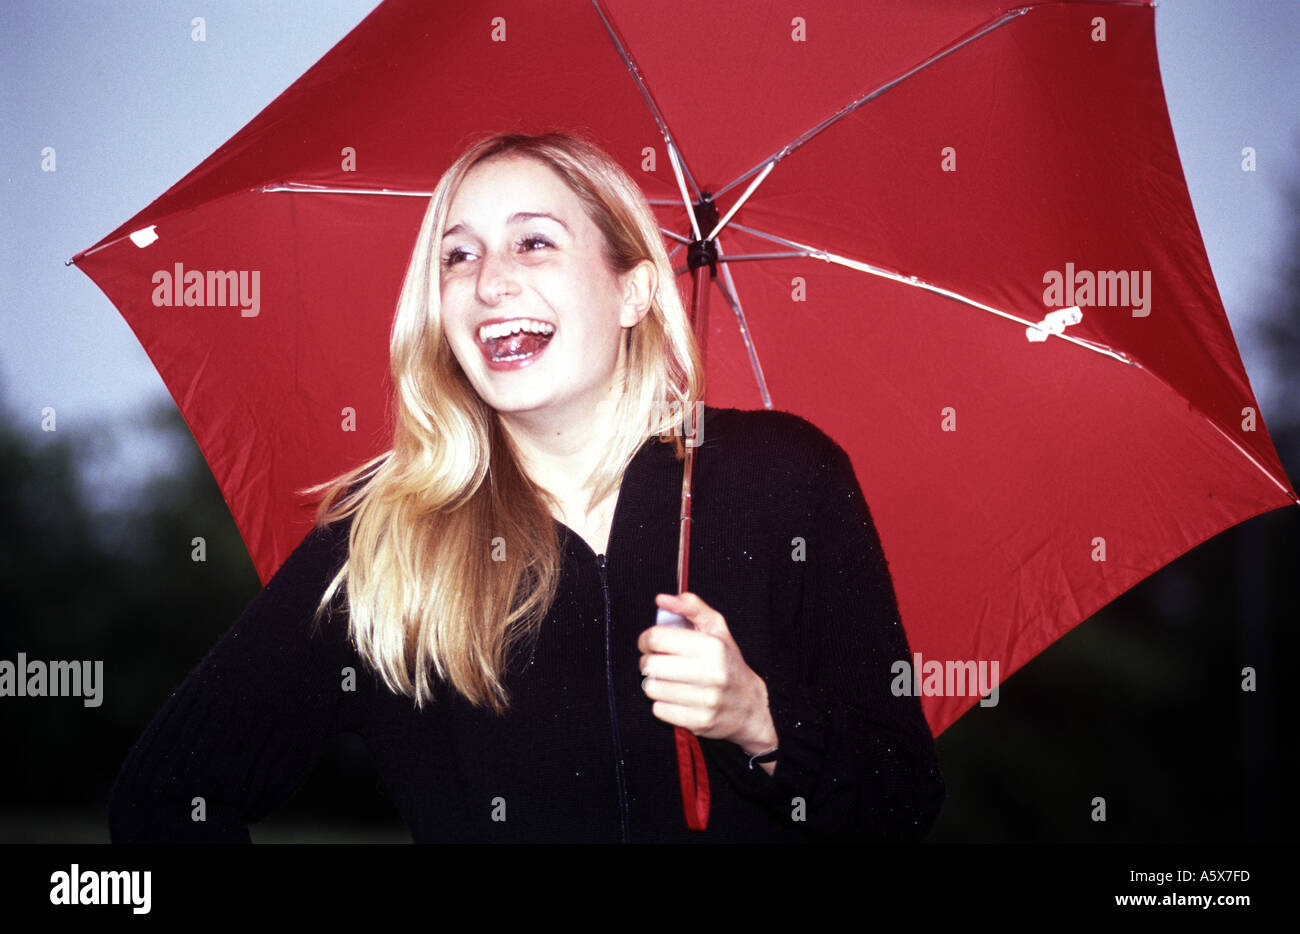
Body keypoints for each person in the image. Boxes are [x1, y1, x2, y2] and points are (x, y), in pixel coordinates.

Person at [108, 130, 945, 843]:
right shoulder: (386, 531)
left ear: (633, 289)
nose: (488, 281)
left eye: (533, 242)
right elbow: (168, 796)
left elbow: (904, 802)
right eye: (458, 256)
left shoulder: (785, 477)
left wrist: (758, 723)